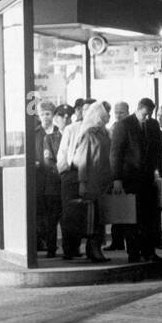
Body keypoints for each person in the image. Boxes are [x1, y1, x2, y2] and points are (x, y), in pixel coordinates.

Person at [112, 97, 162, 262]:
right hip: (130, 178)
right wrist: (117, 178)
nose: (147, 117)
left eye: (150, 114)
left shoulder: (153, 125)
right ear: (139, 109)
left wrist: (160, 172)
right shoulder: (124, 125)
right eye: (145, 114)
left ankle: (149, 251)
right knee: (132, 218)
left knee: (149, 217)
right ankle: (134, 253)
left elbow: (158, 150)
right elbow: (116, 153)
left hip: (148, 178)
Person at [71, 102, 114, 263]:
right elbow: (83, 160)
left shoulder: (105, 133)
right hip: (92, 182)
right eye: (106, 112)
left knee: (100, 217)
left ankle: (93, 248)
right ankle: (94, 249)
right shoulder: (89, 134)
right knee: (94, 218)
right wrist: (82, 182)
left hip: (103, 181)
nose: (108, 115)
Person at [56, 97, 95, 261]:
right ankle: (69, 249)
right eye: (84, 109)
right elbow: (63, 153)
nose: (87, 112)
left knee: (85, 214)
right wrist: (66, 172)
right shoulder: (71, 129)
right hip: (72, 174)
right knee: (70, 213)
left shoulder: (98, 129)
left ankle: (80, 247)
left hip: (91, 175)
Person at [33, 101, 63, 257]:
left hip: (55, 179)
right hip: (39, 180)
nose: (45, 117)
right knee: (40, 215)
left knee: (53, 215)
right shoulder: (34, 133)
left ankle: (52, 247)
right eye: (42, 114)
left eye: (48, 114)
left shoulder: (59, 132)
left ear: (53, 115)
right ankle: (41, 243)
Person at [105, 102, 131, 250]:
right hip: (115, 174)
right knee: (117, 210)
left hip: (127, 173)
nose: (118, 115)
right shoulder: (113, 129)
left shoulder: (129, 126)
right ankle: (117, 241)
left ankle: (125, 242)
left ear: (128, 111)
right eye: (116, 112)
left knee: (127, 211)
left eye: (121, 112)